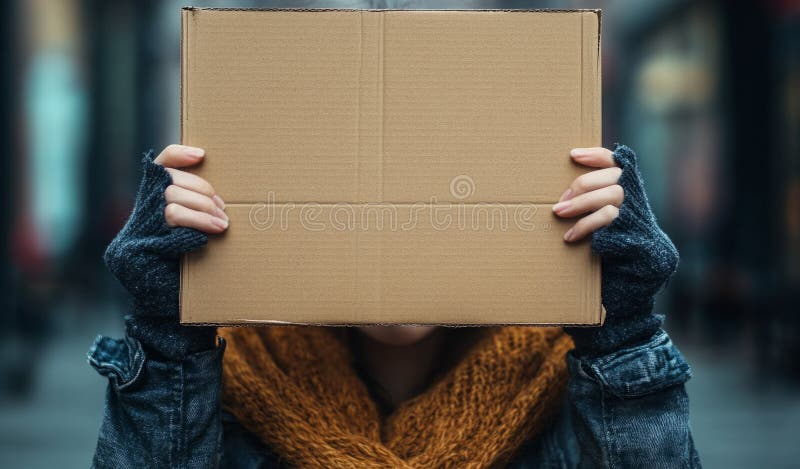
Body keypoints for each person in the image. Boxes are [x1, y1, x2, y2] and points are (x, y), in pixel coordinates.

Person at [89, 143, 701, 468]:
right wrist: (166, 340)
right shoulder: (210, 388)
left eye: (432, 191)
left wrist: (622, 336)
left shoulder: (576, 391)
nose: (394, 230)